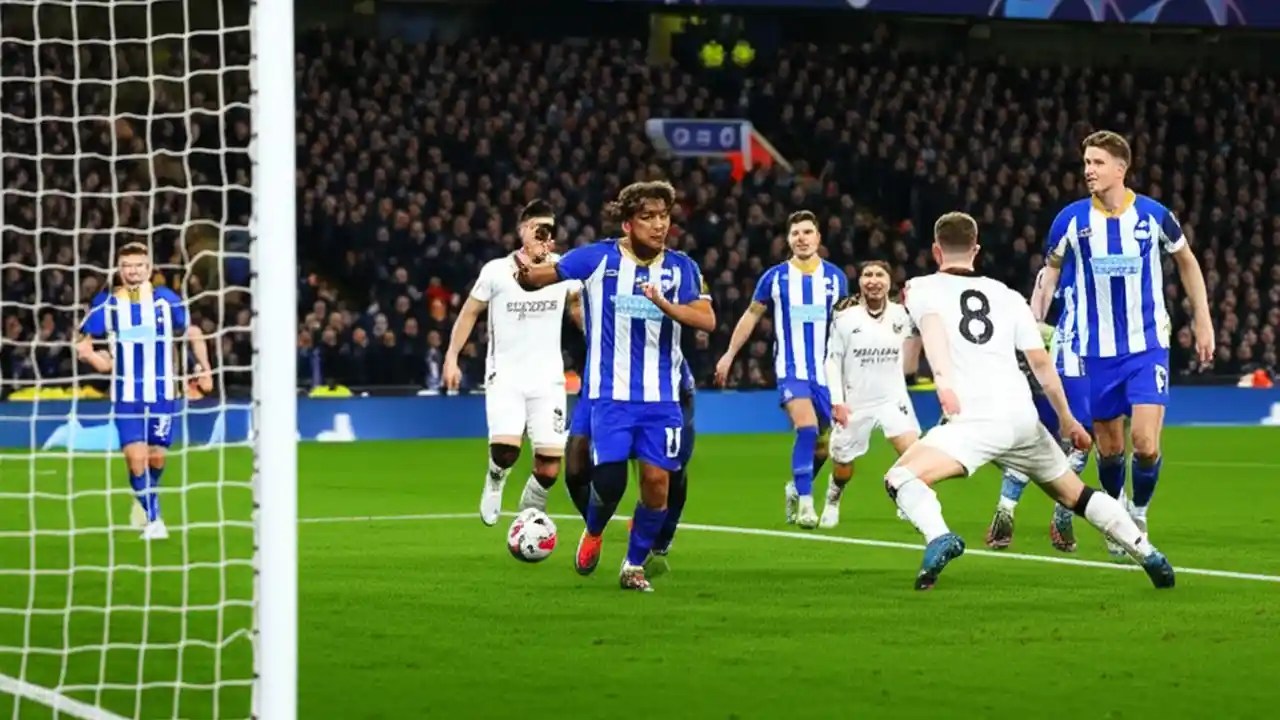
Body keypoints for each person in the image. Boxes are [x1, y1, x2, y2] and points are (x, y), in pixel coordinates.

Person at [887, 212, 1174, 591]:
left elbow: (933, 334)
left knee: (901, 477)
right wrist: (1068, 420)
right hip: (1022, 418)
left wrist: (942, 381)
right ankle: (1148, 553)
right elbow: (1040, 362)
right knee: (1076, 493)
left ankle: (939, 536)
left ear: (936, 251)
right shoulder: (1007, 296)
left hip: (974, 417)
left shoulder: (921, 287)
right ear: (976, 250)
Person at [515, 181, 713, 592]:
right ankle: (593, 530)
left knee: (658, 484)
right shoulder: (598, 258)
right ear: (627, 223)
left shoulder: (683, 268)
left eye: (664, 216)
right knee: (608, 482)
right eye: (648, 217)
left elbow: (707, 321)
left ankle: (633, 565)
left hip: (663, 397)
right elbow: (538, 278)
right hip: (610, 395)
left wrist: (665, 305)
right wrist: (528, 266)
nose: (659, 225)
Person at [1040, 130, 1214, 553]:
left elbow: (1187, 262)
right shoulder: (1071, 220)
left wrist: (1203, 320)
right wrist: (1032, 323)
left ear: (1122, 168)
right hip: (1094, 351)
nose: (1088, 171)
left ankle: (1138, 512)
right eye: (1086, 163)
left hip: (1146, 344)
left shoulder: (1154, 216)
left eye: (1097, 163)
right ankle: (1116, 511)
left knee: (1146, 444)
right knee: (1111, 449)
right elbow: (1050, 272)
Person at [443, 200, 582, 526]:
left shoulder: (564, 271)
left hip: (548, 379)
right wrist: (451, 357)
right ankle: (495, 478)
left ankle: (530, 512)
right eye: (538, 229)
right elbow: (469, 314)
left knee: (549, 467)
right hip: (506, 376)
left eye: (550, 231)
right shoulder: (496, 271)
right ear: (523, 231)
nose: (545, 237)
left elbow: (577, 310)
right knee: (507, 452)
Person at [714, 211, 848, 529]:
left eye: (807, 232)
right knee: (807, 428)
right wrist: (729, 354)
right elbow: (750, 316)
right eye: (795, 233)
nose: (801, 238)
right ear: (788, 240)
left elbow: (846, 324)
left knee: (825, 445)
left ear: (818, 238)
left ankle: (794, 486)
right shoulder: (775, 278)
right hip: (791, 370)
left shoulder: (835, 278)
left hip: (827, 374)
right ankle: (805, 503)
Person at [76, 242, 213, 541]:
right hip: (126, 397)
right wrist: (87, 354)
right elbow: (101, 360)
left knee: (156, 459)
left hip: (163, 395)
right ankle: (154, 519)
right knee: (135, 459)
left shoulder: (166, 300)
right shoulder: (106, 304)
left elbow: (193, 331)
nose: (133, 270)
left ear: (149, 268)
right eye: (127, 265)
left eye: (139, 265)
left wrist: (205, 368)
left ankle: (145, 500)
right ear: (120, 269)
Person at [986, 266, 1092, 552]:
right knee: (1081, 442)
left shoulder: (1050, 270)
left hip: (1040, 370)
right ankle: (1063, 512)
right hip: (1071, 359)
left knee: (1033, 444)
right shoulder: (1073, 268)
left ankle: (1006, 508)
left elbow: (1036, 310)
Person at [822, 261, 921, 529]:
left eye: (879, 275)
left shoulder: (904, 315)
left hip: (892, 398)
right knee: (843, 467)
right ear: (860, 282)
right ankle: (834, 497)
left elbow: (927, 335)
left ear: (889, 283)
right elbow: (832, 361)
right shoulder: (845, 318)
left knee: (915, 454)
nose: (873, 280)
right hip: (856, 402)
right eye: (867, 274)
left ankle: (908, 501)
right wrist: (837, 401)